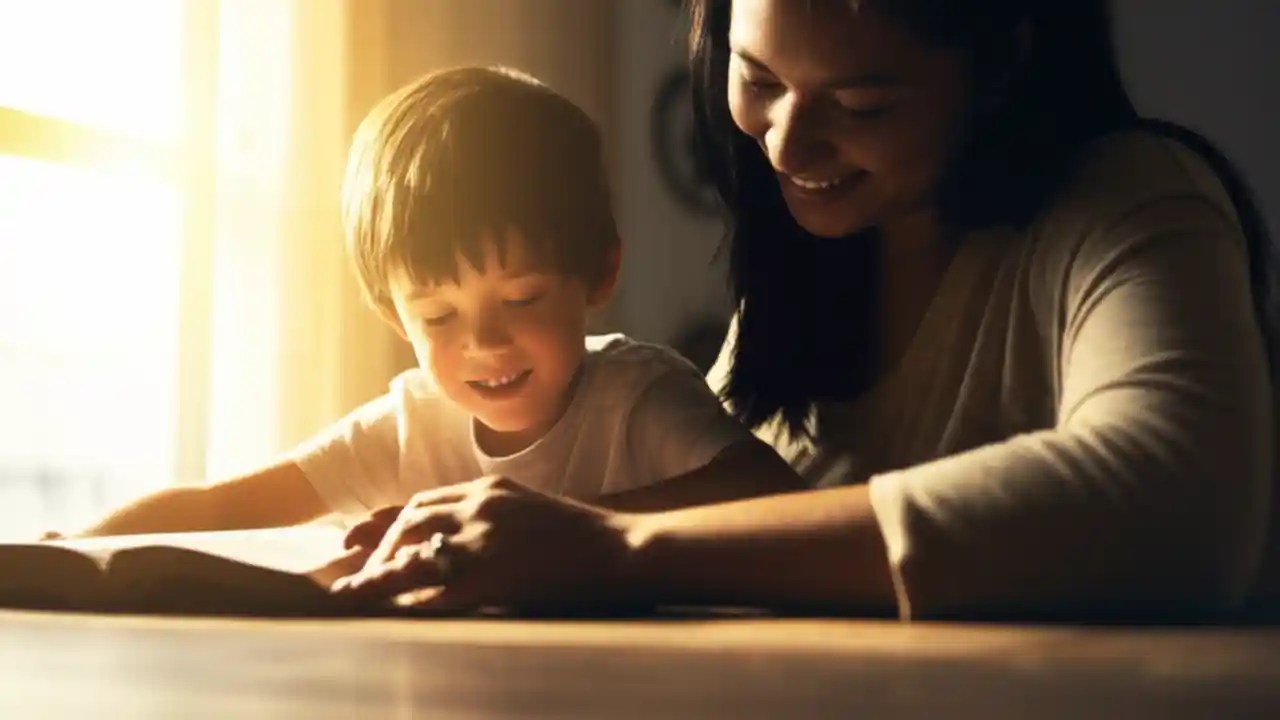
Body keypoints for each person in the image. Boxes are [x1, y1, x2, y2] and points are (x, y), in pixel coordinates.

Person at [333, 0, 1279, 621]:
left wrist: (619, 545)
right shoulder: (812, 261)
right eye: (759, 81)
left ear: (1001, 63)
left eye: (862, 103)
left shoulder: (1129, 198)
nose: (787, 142)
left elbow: (1175, 500)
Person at [54, 66, 803, 542]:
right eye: (438, 316)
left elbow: (772, 496)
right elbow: (224, 507)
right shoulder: (410, 426)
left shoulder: (637, 398)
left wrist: (577, 532)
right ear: (393, 315)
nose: (484, 341)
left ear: (598, 272)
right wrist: (72, 550)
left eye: (522, 297)